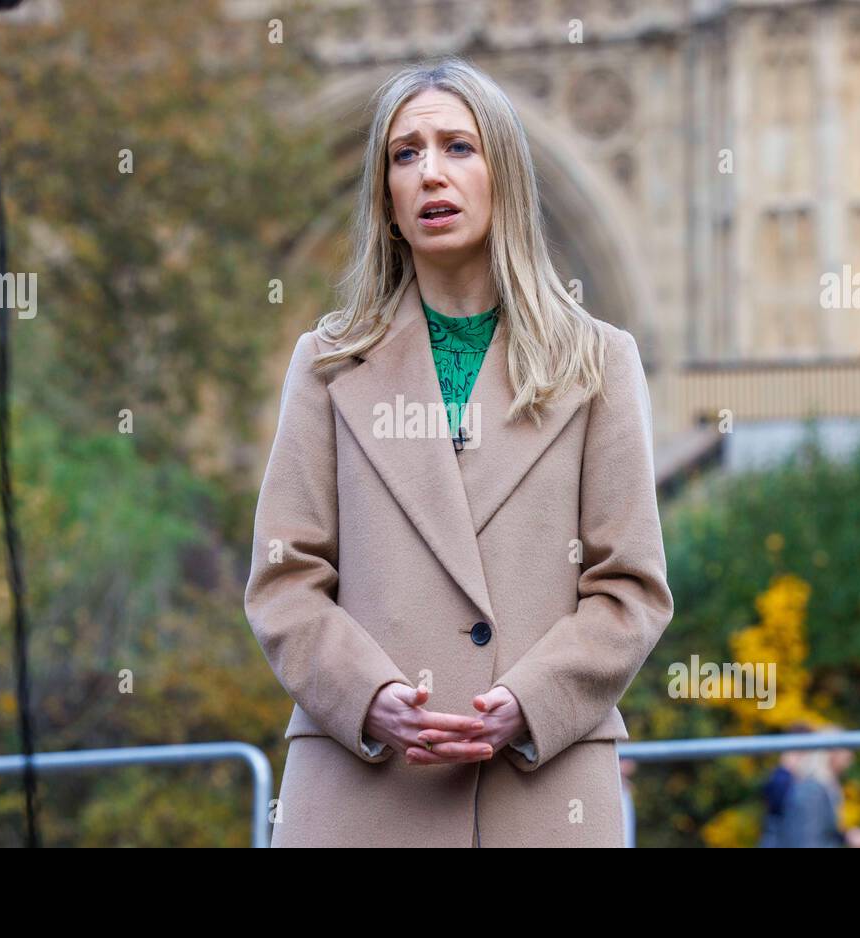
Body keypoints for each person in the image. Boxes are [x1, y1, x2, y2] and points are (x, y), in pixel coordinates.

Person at [244, 56, 674, 847]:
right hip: (362, 789)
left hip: (541, 793)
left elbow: (629, 591)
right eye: (405, 155)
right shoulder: (328, 362)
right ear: (387, 200)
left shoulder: (599, 360)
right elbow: (285, 580)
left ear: (503, 174)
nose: (429, 173)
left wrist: (531, 701)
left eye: (457, 148)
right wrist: (366, 693)